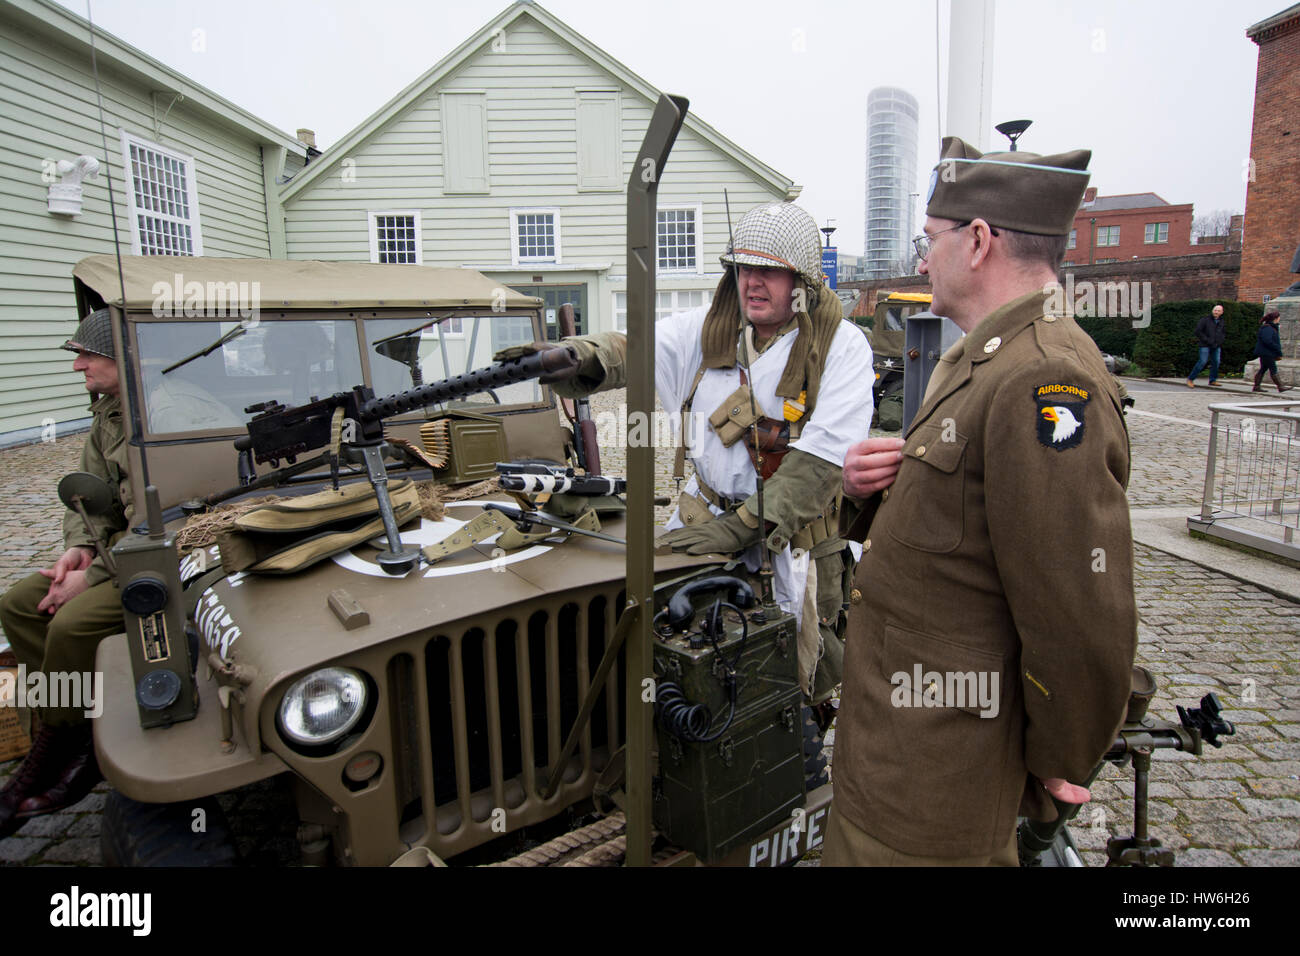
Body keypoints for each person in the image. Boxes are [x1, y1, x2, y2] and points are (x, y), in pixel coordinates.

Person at [823, 137, 1137, 866]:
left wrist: (1060, 764)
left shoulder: (1043, 377)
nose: (923, 258)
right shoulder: (980, 355)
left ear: (980, 241)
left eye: (930, 241)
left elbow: (1076, 605)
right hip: (900, 753)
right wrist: (873, 491)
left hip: (940, 786)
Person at [508, 201, 874, 712]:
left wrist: (743, 526)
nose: (753, 283)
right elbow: (632, 349)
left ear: (803, 283)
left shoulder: (843, 346)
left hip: (792, 547)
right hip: (703, 522)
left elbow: (821, 463)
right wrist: (578, 356)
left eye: (769, 271)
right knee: (686, 655)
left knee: (786, 684)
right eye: (745, 269)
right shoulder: (708, 329)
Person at [0, 309, 129, 838]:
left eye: (87, 354)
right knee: (19, 603)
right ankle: (78, 725)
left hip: (153, 556)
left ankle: (60, 745)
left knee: (72, 624)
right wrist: (77, 551)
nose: (78, 366)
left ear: (121, 357)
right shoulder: (108, 415)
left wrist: (93, 575)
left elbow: (171, 519)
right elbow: (90, 496)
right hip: (109, 552)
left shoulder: (166, 414)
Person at [1186, 304, 1226, 387]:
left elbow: (1223, 333)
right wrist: (1207, 340)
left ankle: (1213, 380)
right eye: (1215, 310)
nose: (1216, 312)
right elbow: (1198, 331)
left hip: (1216, 345)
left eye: (1218, 311)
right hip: (1205, 344)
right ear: (1212, 311)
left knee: (1216, 362)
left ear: (1222, 312)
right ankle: (1190, 379)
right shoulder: (1205, 320)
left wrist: (1219, 342)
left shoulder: (1222, 321)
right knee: (1202, 361)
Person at [1251, 311, 1291, 393]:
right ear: (1275, 319)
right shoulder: (1268, 328)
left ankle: (1256, 386)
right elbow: (1267, 340)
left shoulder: (1269, 327)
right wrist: (1276, 347)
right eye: (1279, 318)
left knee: (1263, 369)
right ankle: (1280, 386)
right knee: (1273, 369)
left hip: (1266, 352)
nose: (1279, 319)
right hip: (1267, 352)